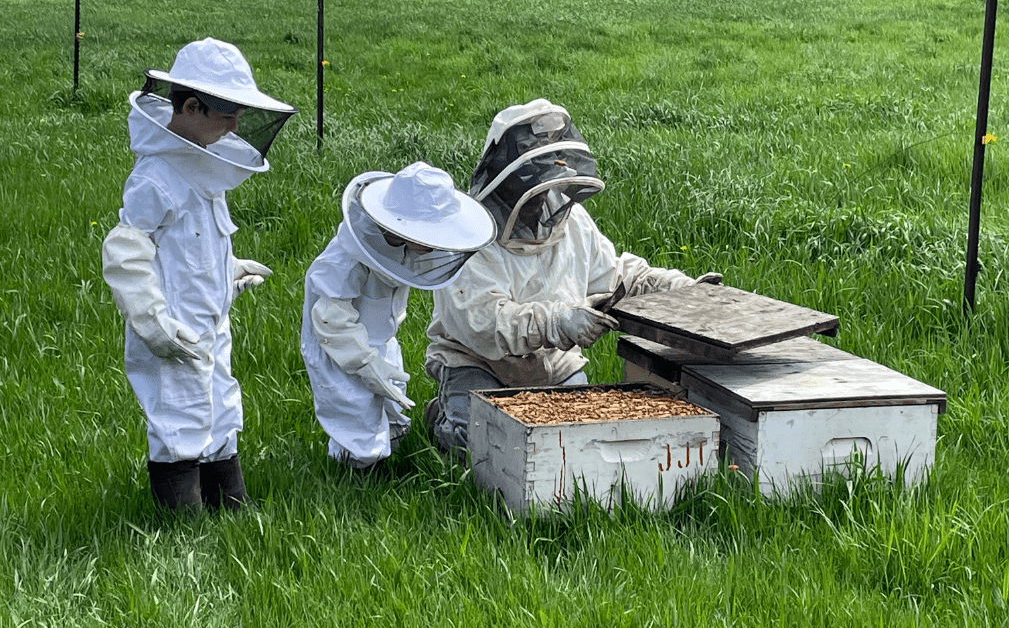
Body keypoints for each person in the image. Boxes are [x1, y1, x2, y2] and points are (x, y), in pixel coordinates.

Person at [425, 98, 718, 455]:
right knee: (477, 448)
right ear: (505, 181)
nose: (541, 199)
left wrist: (682, 289)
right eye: (529, 187)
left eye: (545, 184)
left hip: (556, 366)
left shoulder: (570, 221)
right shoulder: (469, 236)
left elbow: (618, 277)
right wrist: (559, 322)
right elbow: (482, 323)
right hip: (477, 363)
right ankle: (443, 412)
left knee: (580, 442)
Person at [101, 38, 296, 512]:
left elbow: (194, 243)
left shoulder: (204, 168)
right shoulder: (156, 176)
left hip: (210, 318)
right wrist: (152, 322)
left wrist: (226, 270)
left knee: (221, 403)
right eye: (226, 117)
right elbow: (126, 250)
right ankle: (182, 526)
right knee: (179, 416)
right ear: (191, 107)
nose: (234, 129)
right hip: (172, 326)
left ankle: (229, 505)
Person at [301, 162, 496, 471]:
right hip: (340, 349)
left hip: (379, 339)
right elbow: (330, 320)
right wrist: (364, 362)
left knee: (391, 407)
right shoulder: (345, 260)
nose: (435, 241)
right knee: (356, 412)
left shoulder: (399, 248)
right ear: (402, 224)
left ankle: (386, 460)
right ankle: (356, 482)